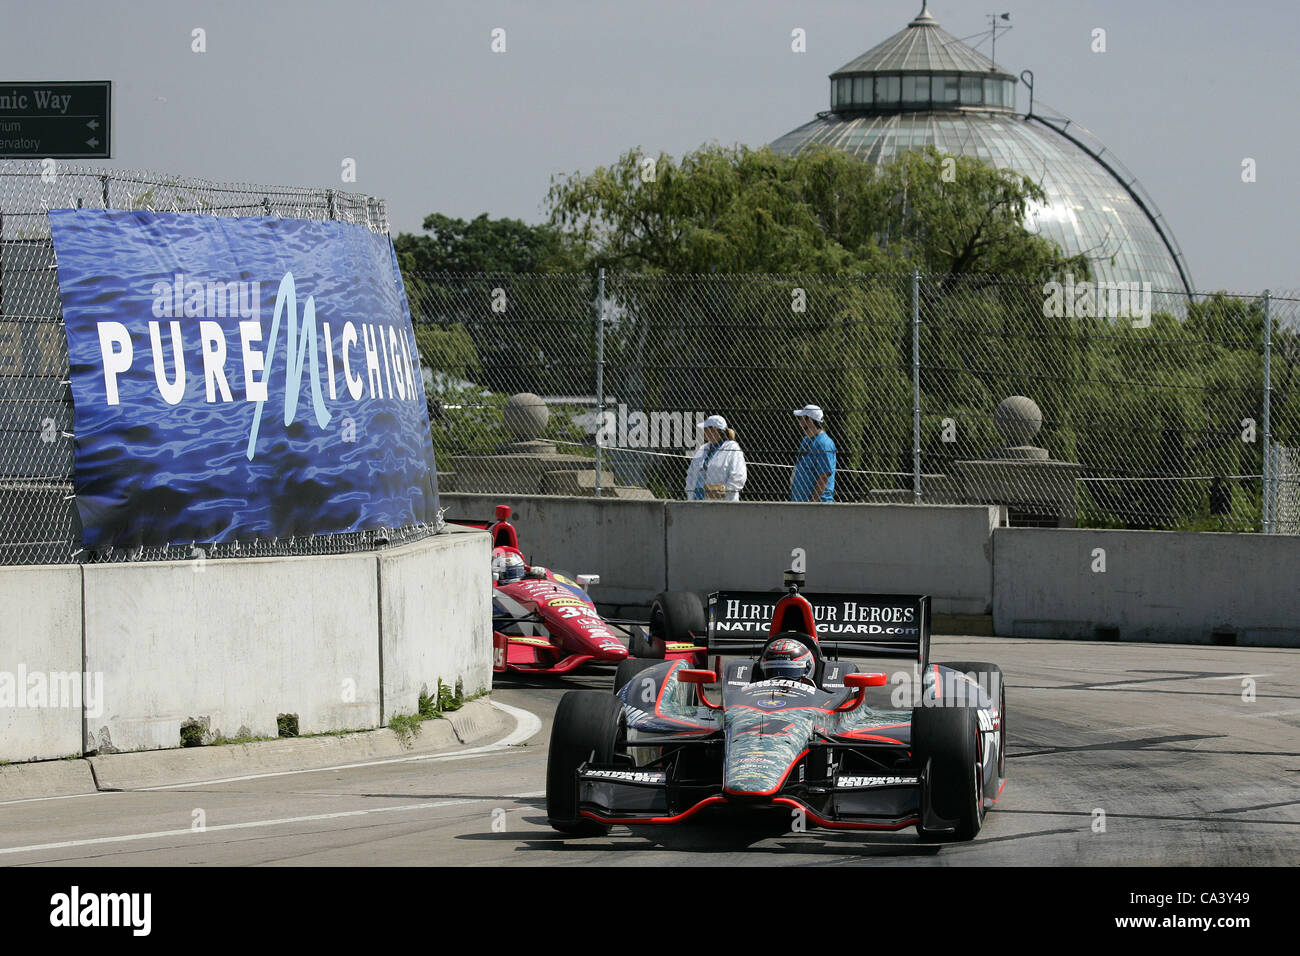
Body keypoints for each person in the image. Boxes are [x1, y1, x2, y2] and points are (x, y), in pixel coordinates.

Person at [684, 414, 747, 501]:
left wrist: (723, 490)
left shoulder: (732, 449)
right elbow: (691, 473)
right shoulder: (703, 449)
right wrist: (690, 492)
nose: (704, 431)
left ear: (716, 430)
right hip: (697, 501)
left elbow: (739, 476)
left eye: (707, 429)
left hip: (723, 504)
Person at [791, 404, 836, 502]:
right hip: (800, 502)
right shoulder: (806, 440)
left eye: (802, 419)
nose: (800, 424)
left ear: (810, 421)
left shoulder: (824, 444)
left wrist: (811, 504)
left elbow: (824, 477)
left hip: (817, 506)